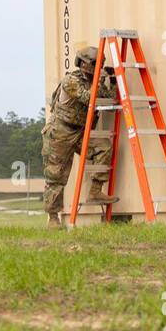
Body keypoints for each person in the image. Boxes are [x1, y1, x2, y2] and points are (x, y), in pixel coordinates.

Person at [43, 46, 118, 227]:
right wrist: (100, 81)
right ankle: (53, 217)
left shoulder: (94, 81)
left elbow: (109, 97)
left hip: (80, 131)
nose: (98, 67)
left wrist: (113, 81)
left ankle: (95, 190)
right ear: (84, 63)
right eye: (95, 64)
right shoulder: (71, 80)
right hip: (61, 132)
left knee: (103, 147)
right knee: (56, 174)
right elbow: (88, 99)